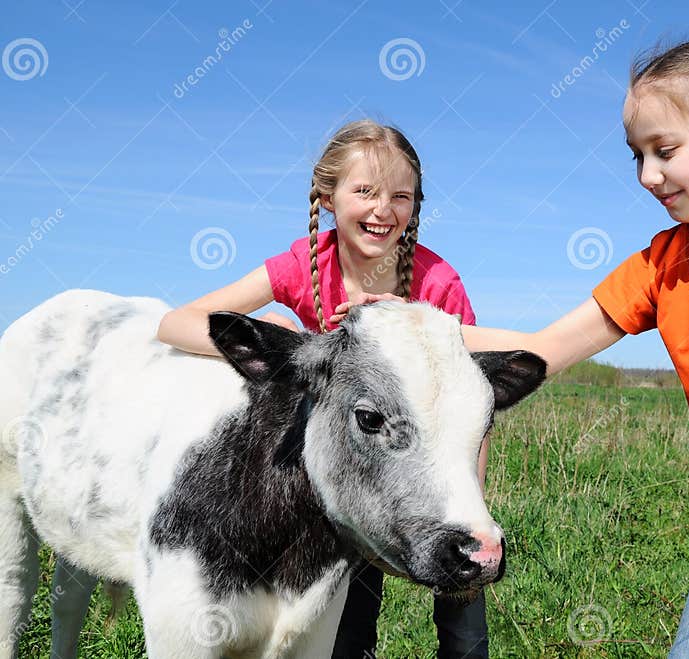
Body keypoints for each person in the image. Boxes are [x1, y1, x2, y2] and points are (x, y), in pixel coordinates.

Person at [339, 38, 689, 658]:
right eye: (638, 155)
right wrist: (415, 321)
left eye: (665, 151)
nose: (648, 176)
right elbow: (545, 347)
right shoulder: (662, 264)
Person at [157, 119, 491, 658]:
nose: (383, 210)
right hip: (347, 478)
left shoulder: (436, 284)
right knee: (344, 627)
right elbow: (176, 323)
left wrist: (470, 495)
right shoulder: (305, 264)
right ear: (327, 198)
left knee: (462, 619)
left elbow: (468, 400)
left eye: (400, 196)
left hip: (431, 479)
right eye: (365, 192)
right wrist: (278, 340)